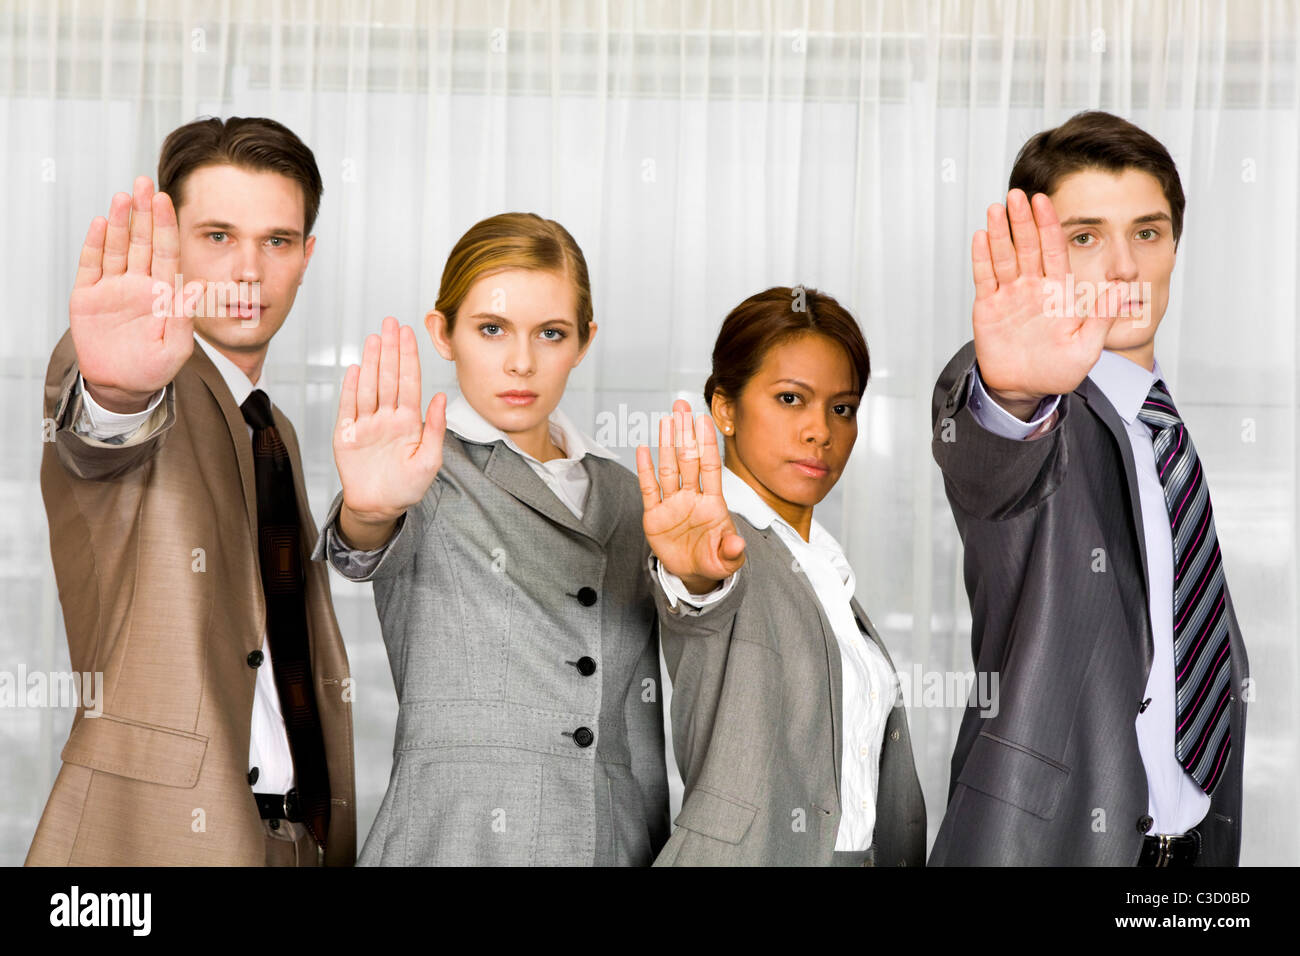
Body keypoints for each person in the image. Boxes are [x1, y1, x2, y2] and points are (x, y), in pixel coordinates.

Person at [29, 117, 356, 866]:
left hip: (292, 841)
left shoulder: (270, 427)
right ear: (172, 249)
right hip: (153, 842)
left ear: (306, 257)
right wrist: (114, 391)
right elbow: (96, 443)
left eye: (276, 241)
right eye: (217, 236)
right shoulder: (136, 377)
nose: (249, 271)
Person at [929, 110, 1249, 866]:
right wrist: (1010, 393)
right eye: (1084, 237)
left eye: (1147, 231)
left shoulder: (1165, 431)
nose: (1124, 267)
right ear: (1039, 254)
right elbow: (989, 473)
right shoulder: (1033, 410)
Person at [313, 212, 669, 866]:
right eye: (492, 329)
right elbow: (360, 548)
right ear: (442, 334)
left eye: (551, 334)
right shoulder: (422, 467)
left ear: (584, 342)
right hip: (456, 837)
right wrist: (366, 511)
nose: (521, 362)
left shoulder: (626, 491)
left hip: (610, 840)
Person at [637, 286, 926, 866]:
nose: (820, 430)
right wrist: (694, 578)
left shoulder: (825, 566)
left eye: (841, 408)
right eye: (791, 399)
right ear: (725, 409)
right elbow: (700, 603)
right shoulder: (722, 545)